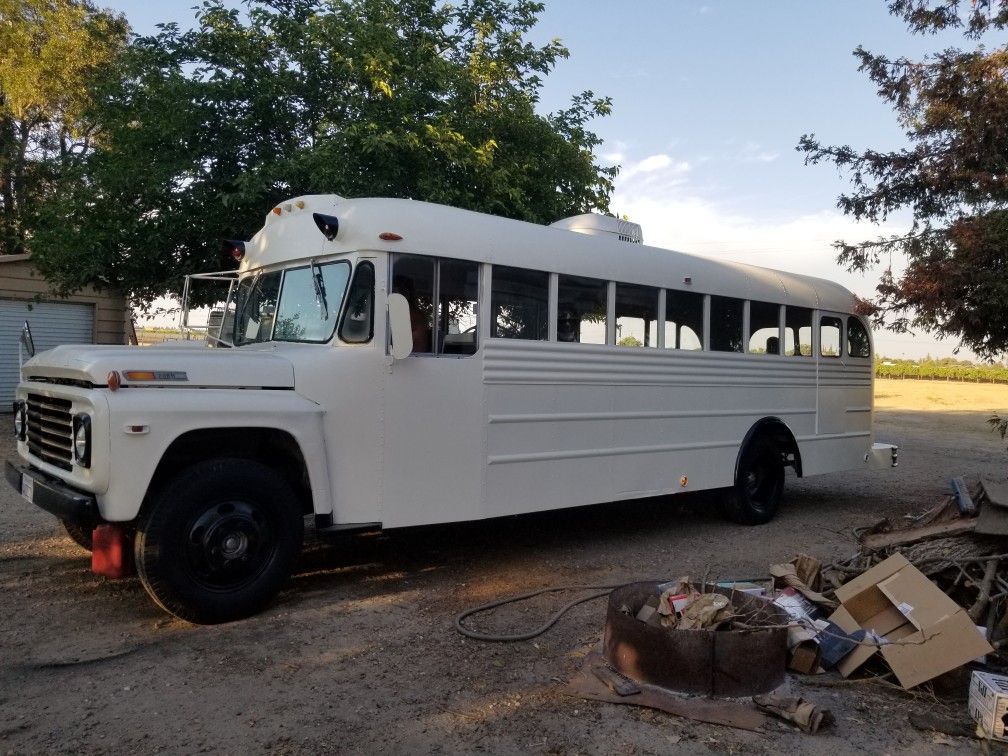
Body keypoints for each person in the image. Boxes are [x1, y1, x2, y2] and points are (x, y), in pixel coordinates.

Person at [392, 274, 432, 353]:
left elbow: (405, 343)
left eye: (397, 292)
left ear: (407, 294)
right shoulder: (397, 314)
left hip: (414, 359)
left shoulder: (416, 316)